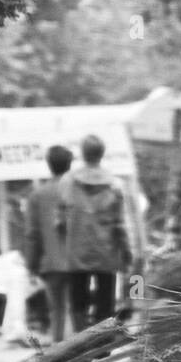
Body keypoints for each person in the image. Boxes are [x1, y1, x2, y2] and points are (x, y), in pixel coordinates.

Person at [56, 134, 131, 333]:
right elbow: (120, 225)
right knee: (105, 304)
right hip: (107, 254)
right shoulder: (115, 185)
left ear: (83, 153)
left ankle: (80, 347)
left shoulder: (67, 182)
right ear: (102, 153)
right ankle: (103, 351)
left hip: (76, 253)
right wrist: (126, 251)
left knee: (78, 303)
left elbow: (60, 221)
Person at [24, 145, 74, 343]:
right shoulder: (77, 191)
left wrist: (31, 265)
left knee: (57, 310)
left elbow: (32, 234)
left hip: (50, 263)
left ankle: (58, 349)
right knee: (75, 308)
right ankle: (77, 350)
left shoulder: (37, 195)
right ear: (70, 164)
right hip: (77, 261)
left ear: (49, 164)